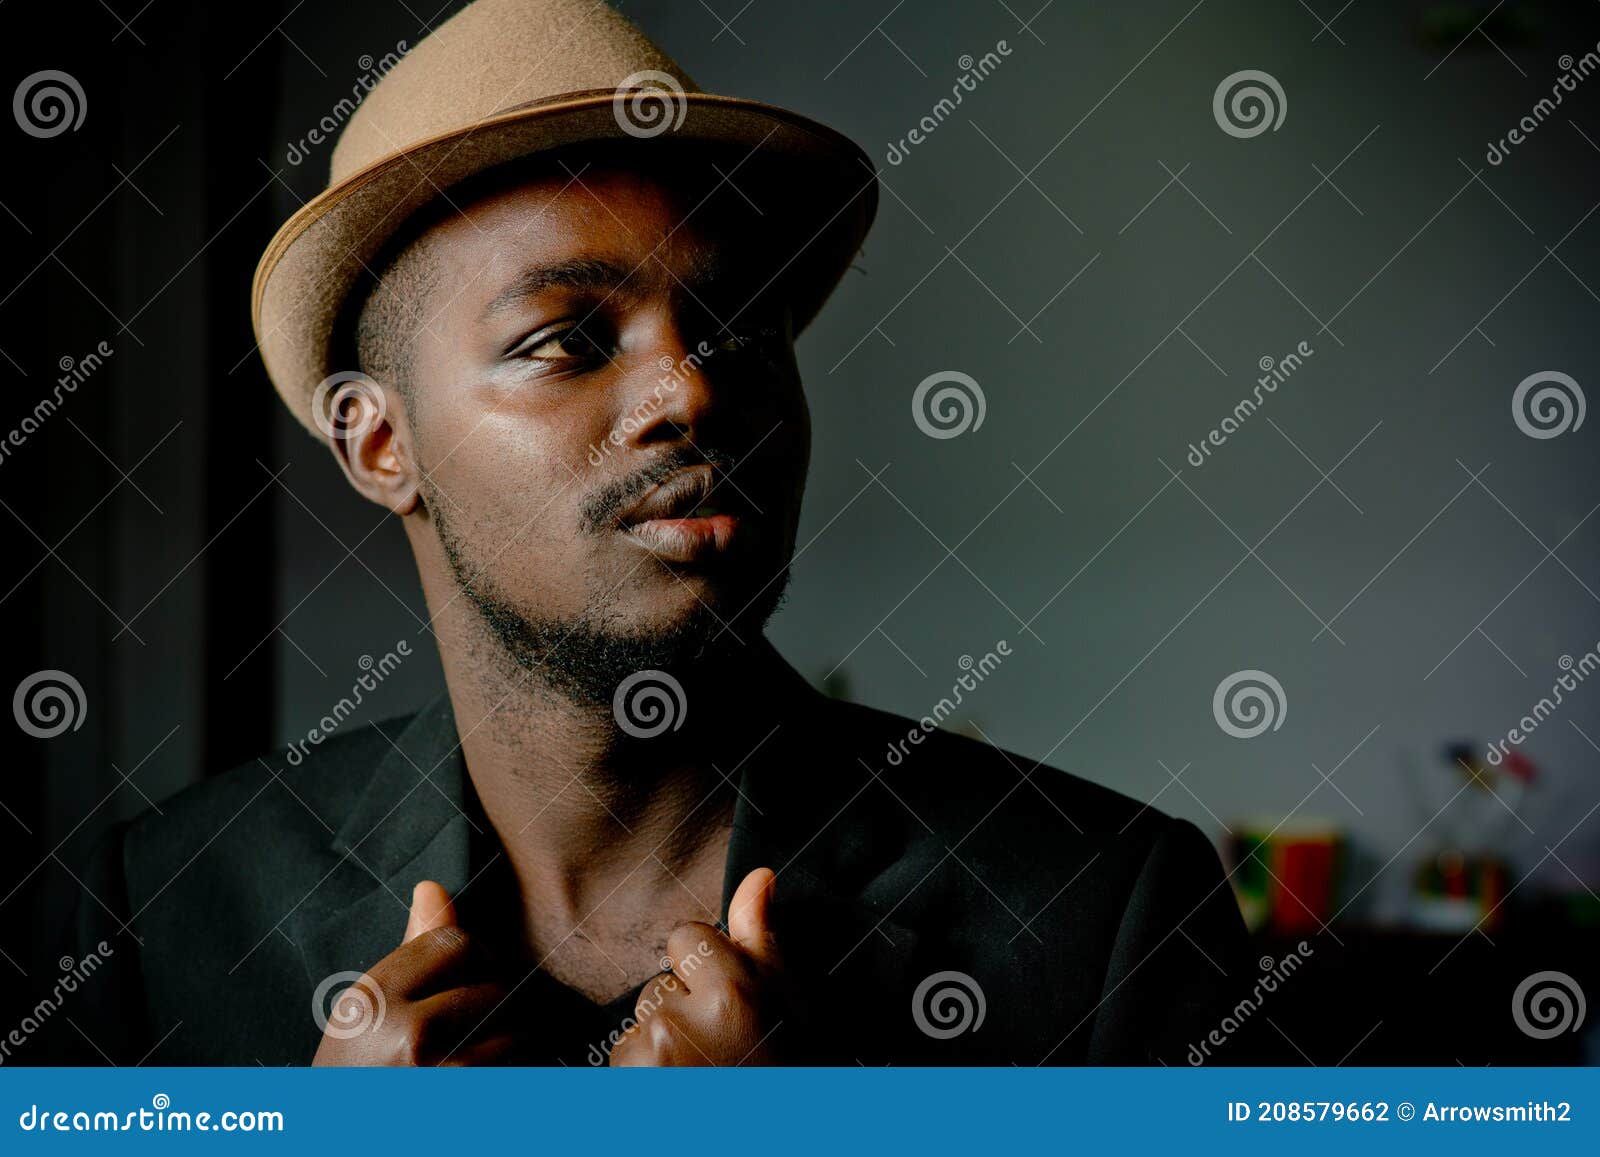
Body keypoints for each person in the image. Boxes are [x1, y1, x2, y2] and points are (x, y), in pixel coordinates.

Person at [43, 0, 1264, 1066]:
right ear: (378, 445)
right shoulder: (167, 915)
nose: (690, 389)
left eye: (735, 328)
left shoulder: (1100, 913)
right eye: (567, 338)